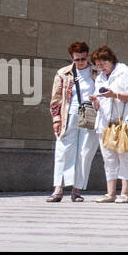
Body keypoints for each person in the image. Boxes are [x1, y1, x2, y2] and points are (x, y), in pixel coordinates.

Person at [47, 42, 100, 203]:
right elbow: (56, 99)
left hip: (90, 115)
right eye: (77, 59)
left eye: (84, 58)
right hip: (68, 114)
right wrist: (56, 119)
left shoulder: (97, 72)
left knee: (85, 151)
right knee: (63, 150)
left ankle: (76, 190)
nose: (81, 62)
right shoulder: (63, 73)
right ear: (72, 58)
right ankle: (58, 189)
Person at [88, 46, 128, 204]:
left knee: (125, 155)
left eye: (103, 63)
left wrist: (114, 94)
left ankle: (124, 193)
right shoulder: (100, 77)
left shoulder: (125, 72)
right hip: (105, 121)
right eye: (98, 65)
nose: (101, 67)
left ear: (111, 60)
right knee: (108, 157)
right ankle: (110, 193)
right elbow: (100, 102)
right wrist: (96, 100)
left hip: (124, 121)